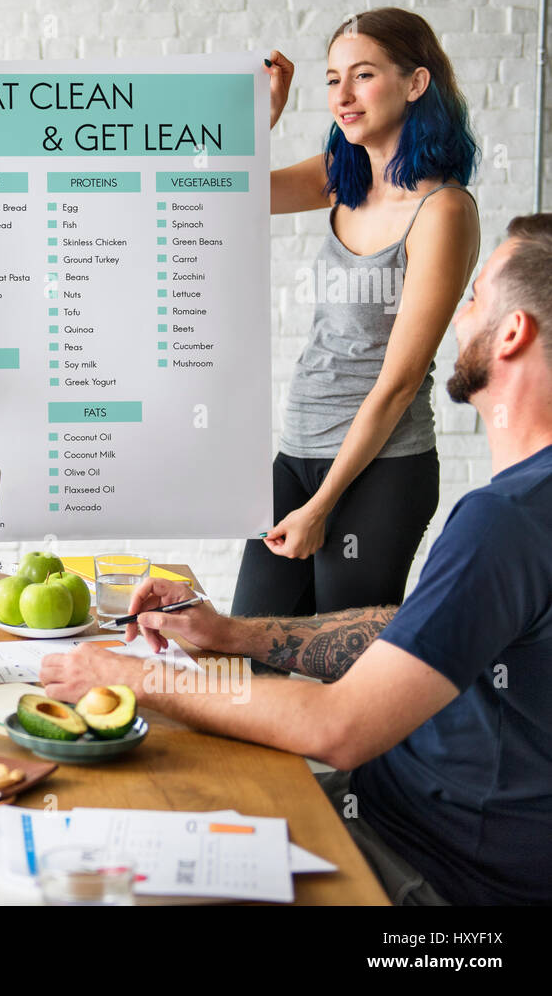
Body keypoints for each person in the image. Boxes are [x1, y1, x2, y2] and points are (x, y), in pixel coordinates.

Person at [41, 216, 552, 906]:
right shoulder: (526, 506)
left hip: (426, 871)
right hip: (395, 817)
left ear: (513, 333)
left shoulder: (507, 520)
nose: (458, 315)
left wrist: (123, 673)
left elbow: (336, 728)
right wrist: (233, 635)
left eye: (475, 296)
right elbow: (408, 637)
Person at [233, 9, 481, 625]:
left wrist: (322, 506)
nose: (342, 95)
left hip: (383, 468)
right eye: (332, 78)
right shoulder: (341, 178)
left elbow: (398, 382)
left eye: (363, 75)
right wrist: (263, 118)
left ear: (415, 83)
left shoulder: (442, 211)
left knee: (343, 671)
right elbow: (226, 194)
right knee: (243, 654)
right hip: (297, 451)